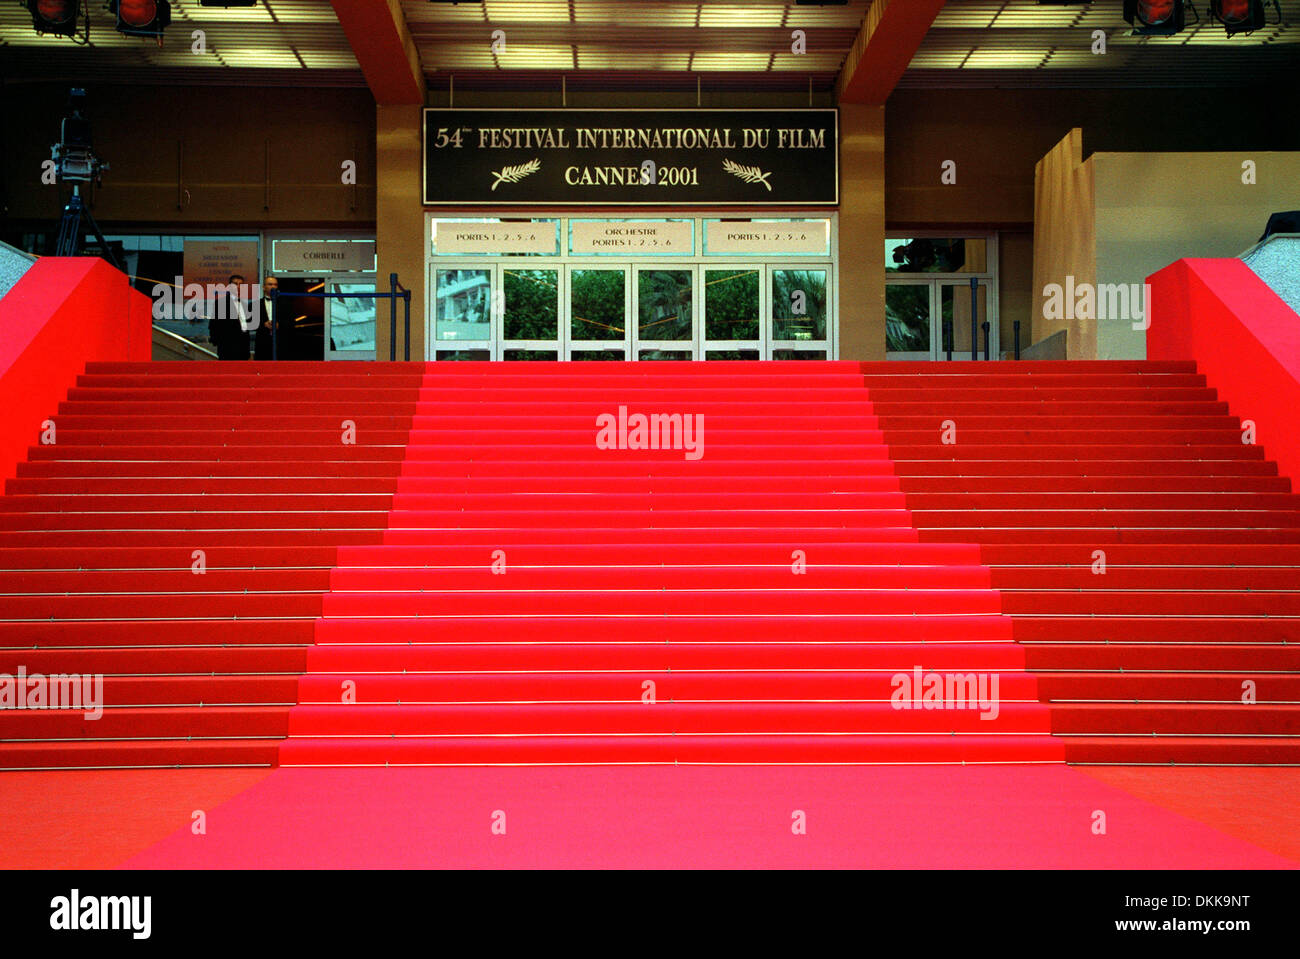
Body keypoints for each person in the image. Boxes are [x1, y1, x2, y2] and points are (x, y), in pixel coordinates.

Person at [209, 273, 252, 360]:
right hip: (227, 349)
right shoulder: (221, 303)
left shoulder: (244, 304)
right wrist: (219, 343)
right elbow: (214, 325)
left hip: (243, 349)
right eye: (235, 284)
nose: (238, 287)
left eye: (241, 285)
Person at [255, 275, 280, 360]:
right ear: (263, 287)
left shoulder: (285, 304)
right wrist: (263, 324)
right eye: (270, 284)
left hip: (280, 346)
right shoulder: (255, 305)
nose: (273, 287)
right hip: (262, 345)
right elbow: (249, 323)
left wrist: (278, 324)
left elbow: (290, 322)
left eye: (275, 284)